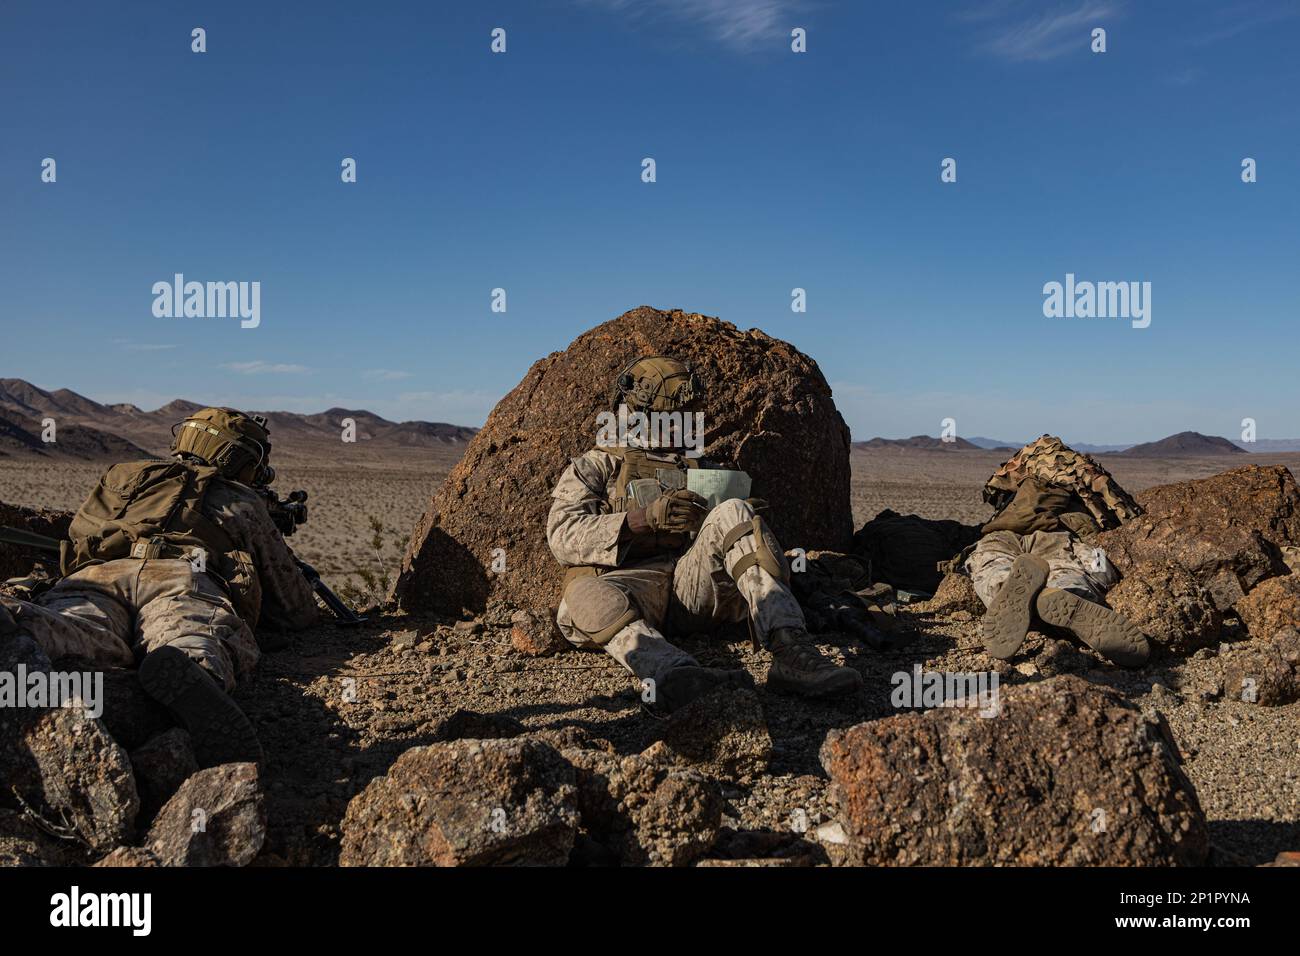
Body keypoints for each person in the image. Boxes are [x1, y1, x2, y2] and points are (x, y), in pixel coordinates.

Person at [0, 407, 319, 765]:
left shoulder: (123, 475)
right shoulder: (241, 501)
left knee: (76, 625)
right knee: (191, 632)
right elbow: (294, 609)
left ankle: (22, 622)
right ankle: (190, 674)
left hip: (99, 574)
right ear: (245, 461)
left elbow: (79, 536)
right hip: (181, 576)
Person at [546, 355, 863, 713]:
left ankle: (790, 650)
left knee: (737, 513)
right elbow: (561, 535)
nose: (681, 426)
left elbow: (729, 529)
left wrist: (740, 519)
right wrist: (640, 519)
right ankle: (672, 672)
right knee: (580, 597)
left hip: (690, 587)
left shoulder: (699, 466)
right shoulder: (598, 464)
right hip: (630, 588)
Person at [964, 436, 1149, 666]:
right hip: (1057, 535)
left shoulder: (1017, 477)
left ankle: (1004, 589)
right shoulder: (1083, 474)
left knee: (990, 566)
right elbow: (1121, 513)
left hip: (1002, 534)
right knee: (1074, 570)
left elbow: (993, 491)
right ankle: (1069, 593)